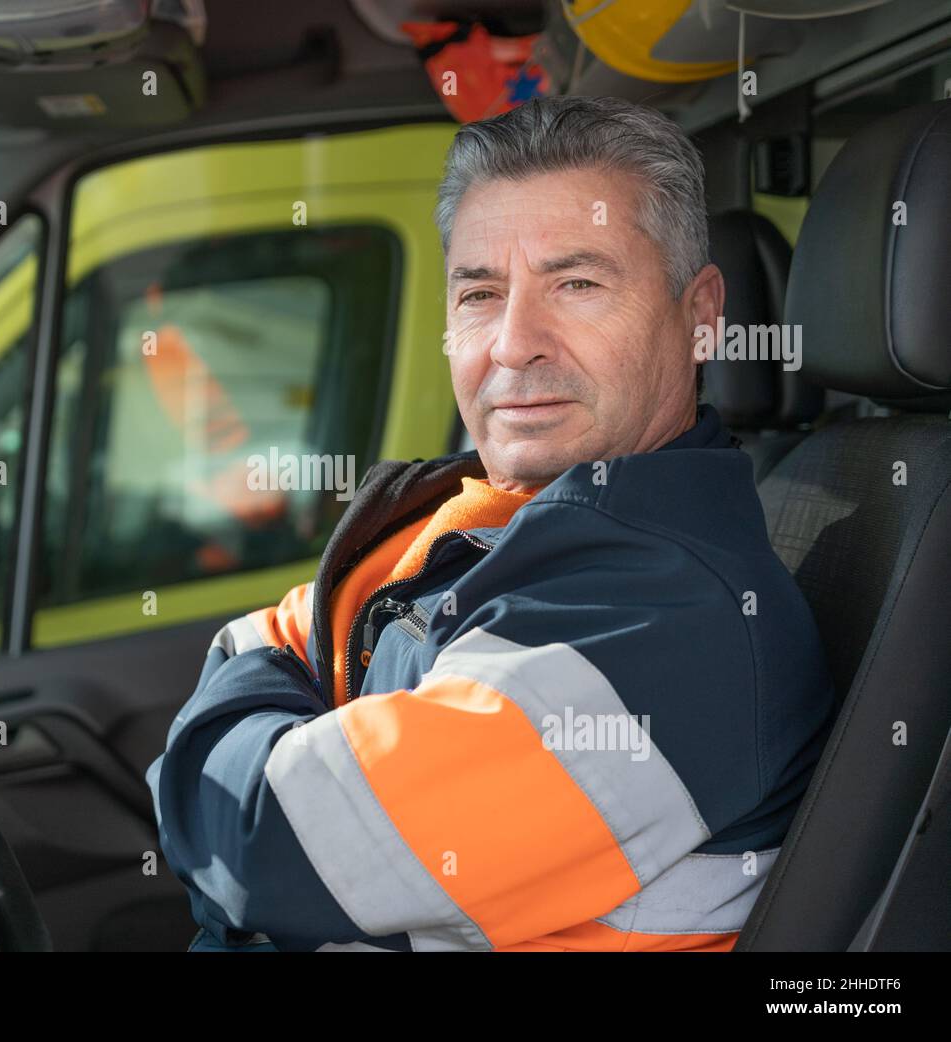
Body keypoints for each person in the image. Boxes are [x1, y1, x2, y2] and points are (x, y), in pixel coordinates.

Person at [145, 95, 836, 952]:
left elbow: (261, 847)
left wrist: (253, 719)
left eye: (576, 284)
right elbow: (259, 645)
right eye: (480, 293)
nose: (514, 344)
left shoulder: (666, 618)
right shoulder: (480, 514)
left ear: (699, 318)